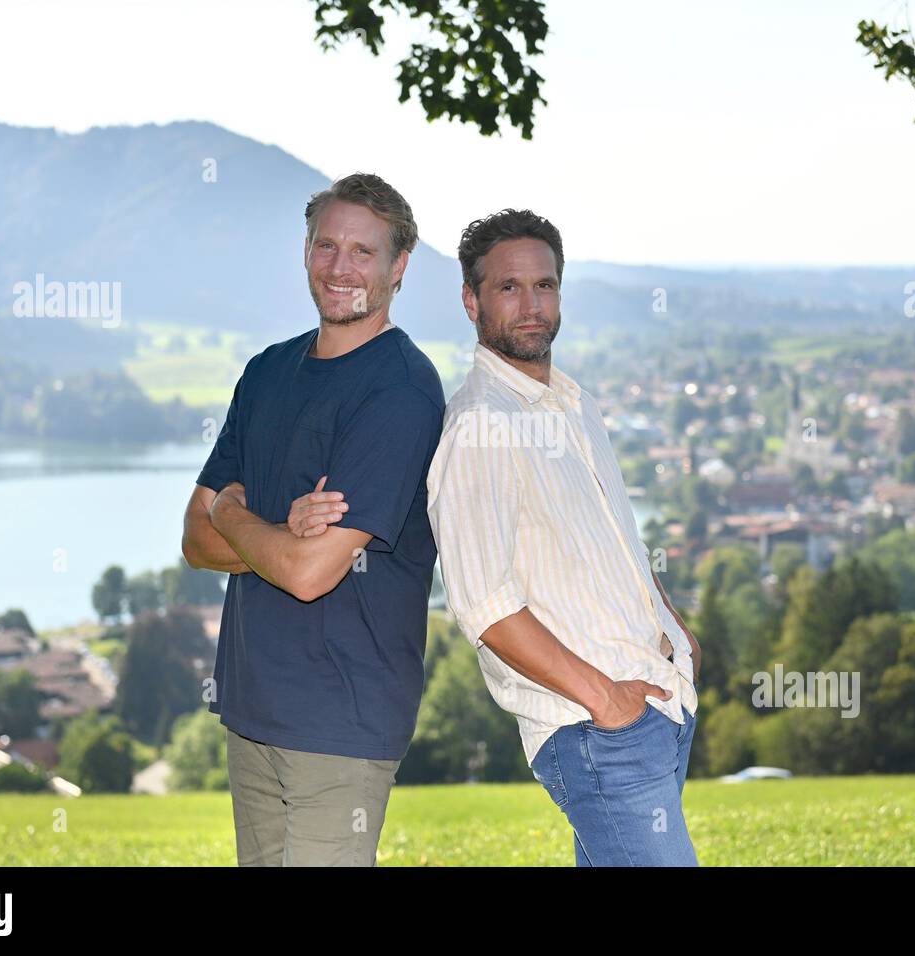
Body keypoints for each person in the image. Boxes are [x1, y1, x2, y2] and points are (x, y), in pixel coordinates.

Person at [426, 208, 703, 866]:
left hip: (657, 703)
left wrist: (675, 631)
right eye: (508, 287)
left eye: (544, 286)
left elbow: (613, 539)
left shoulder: (574, 404)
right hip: (596, 730)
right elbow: (485, 607)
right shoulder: (478, 428)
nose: (531, 305)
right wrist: (605, 700)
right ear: (472, 300)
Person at [181, 172, 444, 866]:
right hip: (251, 712)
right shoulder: (266, 372)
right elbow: (192, 539)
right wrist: (272, 529)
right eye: (327, 245)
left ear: (399, 268)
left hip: (342, 724)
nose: (340, 267)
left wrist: (237, 512)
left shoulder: (402, 393)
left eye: (363, 252)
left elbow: (306, 571)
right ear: (305, 252)